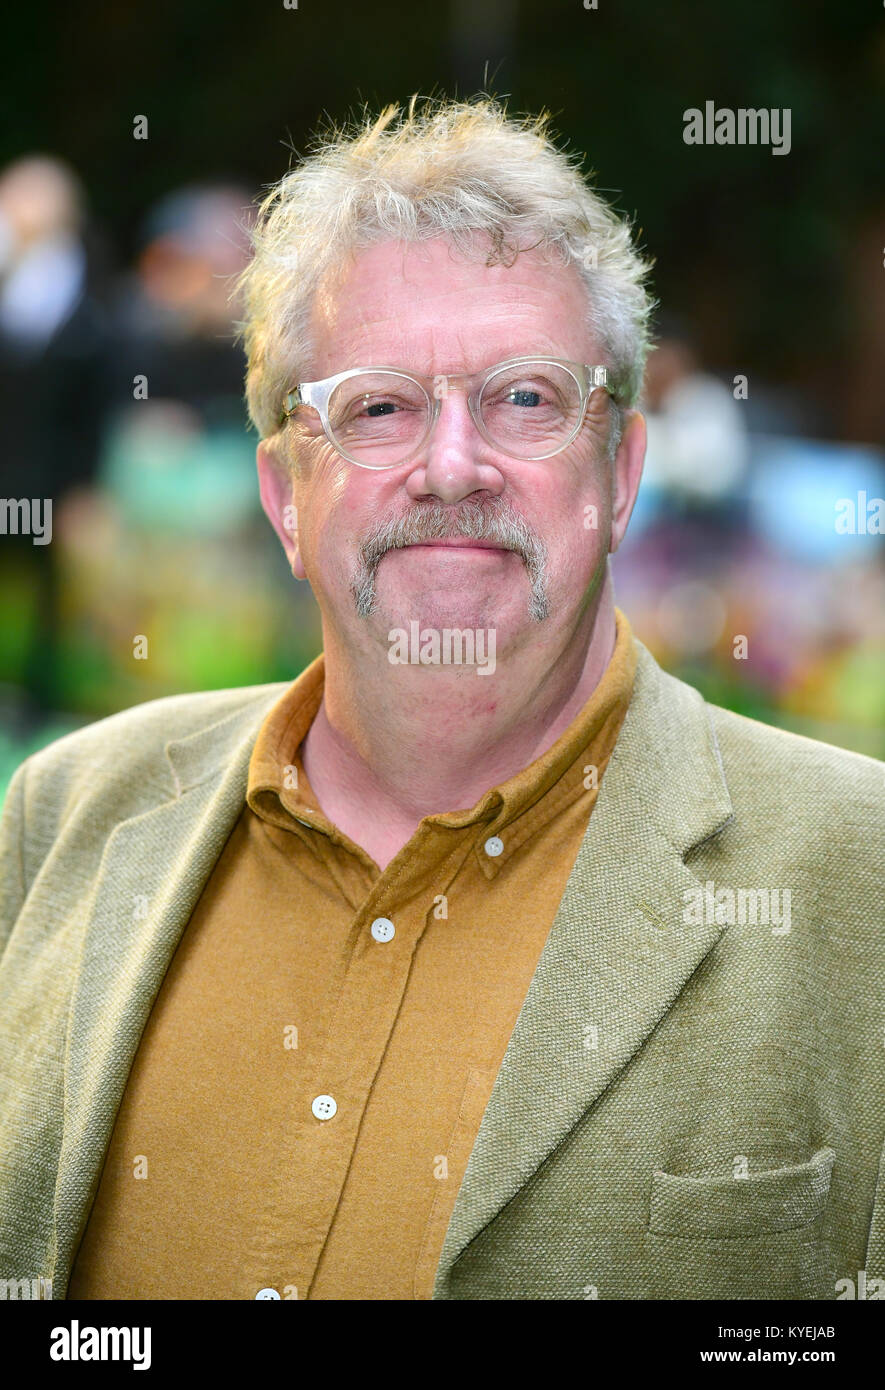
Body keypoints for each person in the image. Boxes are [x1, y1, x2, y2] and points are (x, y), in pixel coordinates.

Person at [0, 97, 882, 1303]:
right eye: (378, 406)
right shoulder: (61, 819)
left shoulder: (859, 877)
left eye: (525, 398)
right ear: (285, 495)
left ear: (621, 471)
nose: (452, 464)